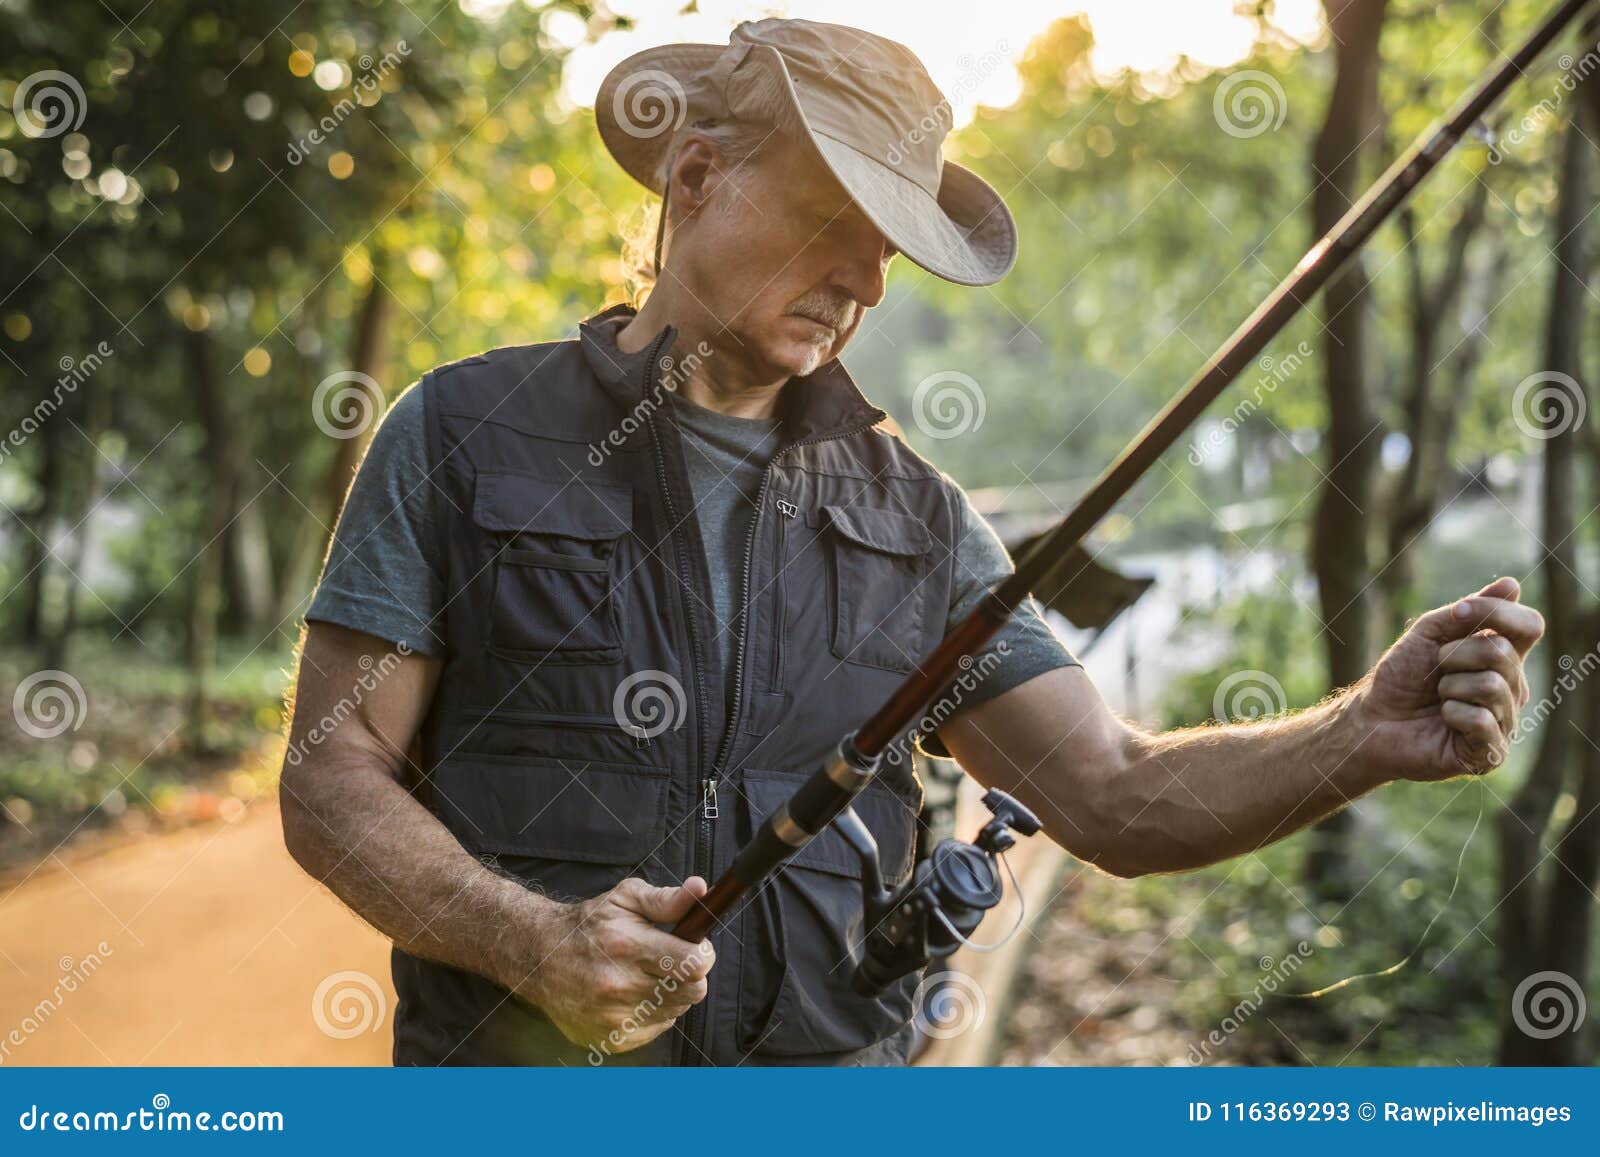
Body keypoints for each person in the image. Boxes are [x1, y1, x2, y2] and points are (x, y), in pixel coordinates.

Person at [279, 18, 1542, 1066]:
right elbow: (331, 783)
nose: (868, 280)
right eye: (835, 216)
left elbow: (1109, 793)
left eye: (888, 246)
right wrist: (528, 941)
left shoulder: (921, 519)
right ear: (696, 175)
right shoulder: (460, 431)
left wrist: (1360, 733)